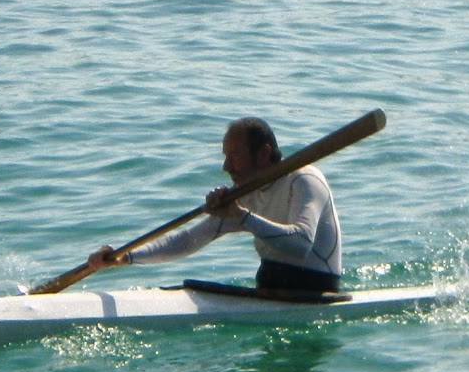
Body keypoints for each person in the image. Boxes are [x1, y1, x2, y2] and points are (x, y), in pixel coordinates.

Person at [86, 117, 342, 292]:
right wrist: (125, 257)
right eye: (225, 157)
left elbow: (301, 245)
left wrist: (242, 217)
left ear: (263, 154)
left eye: (235, 156)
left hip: (315, 290)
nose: (226, 167)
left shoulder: (305, 180)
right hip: (270, 287)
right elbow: (188, 240)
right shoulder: (245, 195)